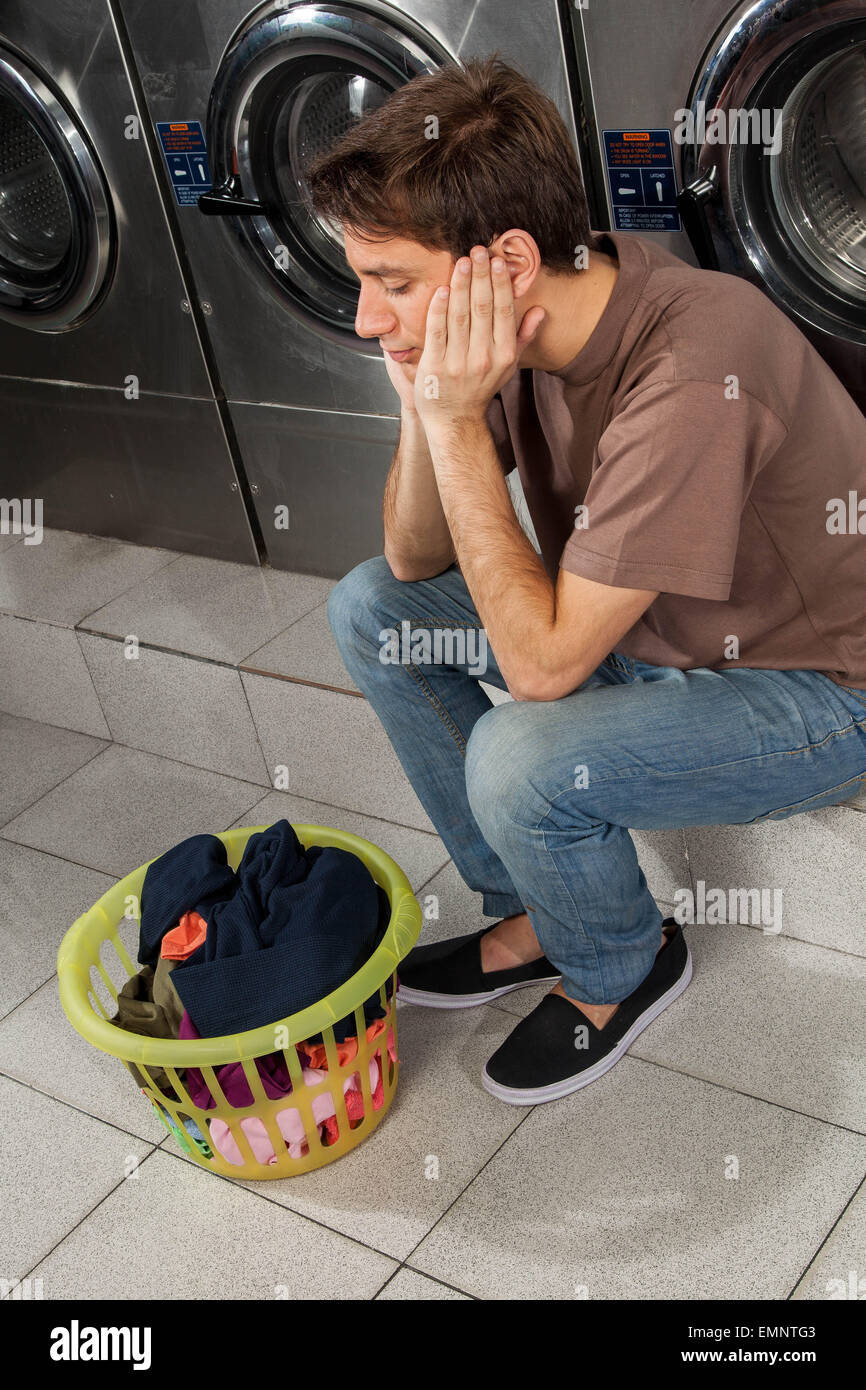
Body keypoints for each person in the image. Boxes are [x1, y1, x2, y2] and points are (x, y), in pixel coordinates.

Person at [306, 55, 866, 1106]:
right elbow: (411, 562)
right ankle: (531, 908)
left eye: (391, 283)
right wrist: (430, 405)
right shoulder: (541, 315)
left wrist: (448, 416)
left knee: (519, 754)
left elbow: (540, 666)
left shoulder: (697, 357)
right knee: (372, 612)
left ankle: (619, 962)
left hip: (822, 689)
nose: (364, 319)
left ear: (506, 260)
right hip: (659, 634)